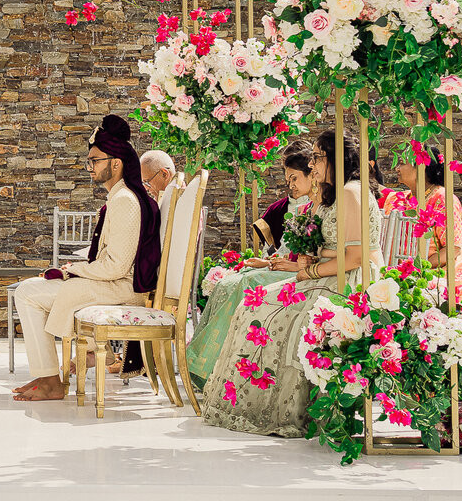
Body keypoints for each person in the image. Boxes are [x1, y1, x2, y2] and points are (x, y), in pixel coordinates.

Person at [200, 129, 382, 437]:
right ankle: (252, 400)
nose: (312, 165)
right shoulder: (334, 193)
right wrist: (311, 257)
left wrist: (308, 272)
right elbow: (329, 247)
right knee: (252, 300)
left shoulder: (352, 192)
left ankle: (284, 408)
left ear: (338, 159)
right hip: (329, 273)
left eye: (318, 157)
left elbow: (354, 258)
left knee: (263, 308)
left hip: (347, 283)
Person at [12, 115, 161, 402]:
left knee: (28, 292)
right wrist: (74, 270)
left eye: (95, 160)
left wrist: (74, 270)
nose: (89, 167)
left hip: (122, 288)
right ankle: (58, 370)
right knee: (33, 288)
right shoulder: (121, 197)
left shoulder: (125, 201)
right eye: (89, 161)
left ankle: (50, 380)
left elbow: (117, 266)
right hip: (113, 283)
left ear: (115, 163)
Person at [186, 142, 315, 385]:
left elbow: (310, 256)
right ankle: (206, 365)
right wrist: (266, 262)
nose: (291, 186)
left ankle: (222, 371)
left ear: (312, 174)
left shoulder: (319, 205)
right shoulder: (296, 207)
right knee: (229, 281)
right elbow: (287, 249)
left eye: (295, 178)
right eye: (288, 180)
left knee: (246, 282)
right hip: (287, 267)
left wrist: (273, 266)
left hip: (306, 274)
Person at [396, 144, 462, 298]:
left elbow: (452, 249)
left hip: (440, 274)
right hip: (407, 272)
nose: (396, 168)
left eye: (401, 163)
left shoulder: (443, 198)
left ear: (420, 167)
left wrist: (417, 270)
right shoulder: (402, 198)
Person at [140, 148, 181, 220]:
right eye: (143, 183)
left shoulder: (179, 202)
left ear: (164, 174)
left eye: (147, 182)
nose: (146, 188)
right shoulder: (164, 199)